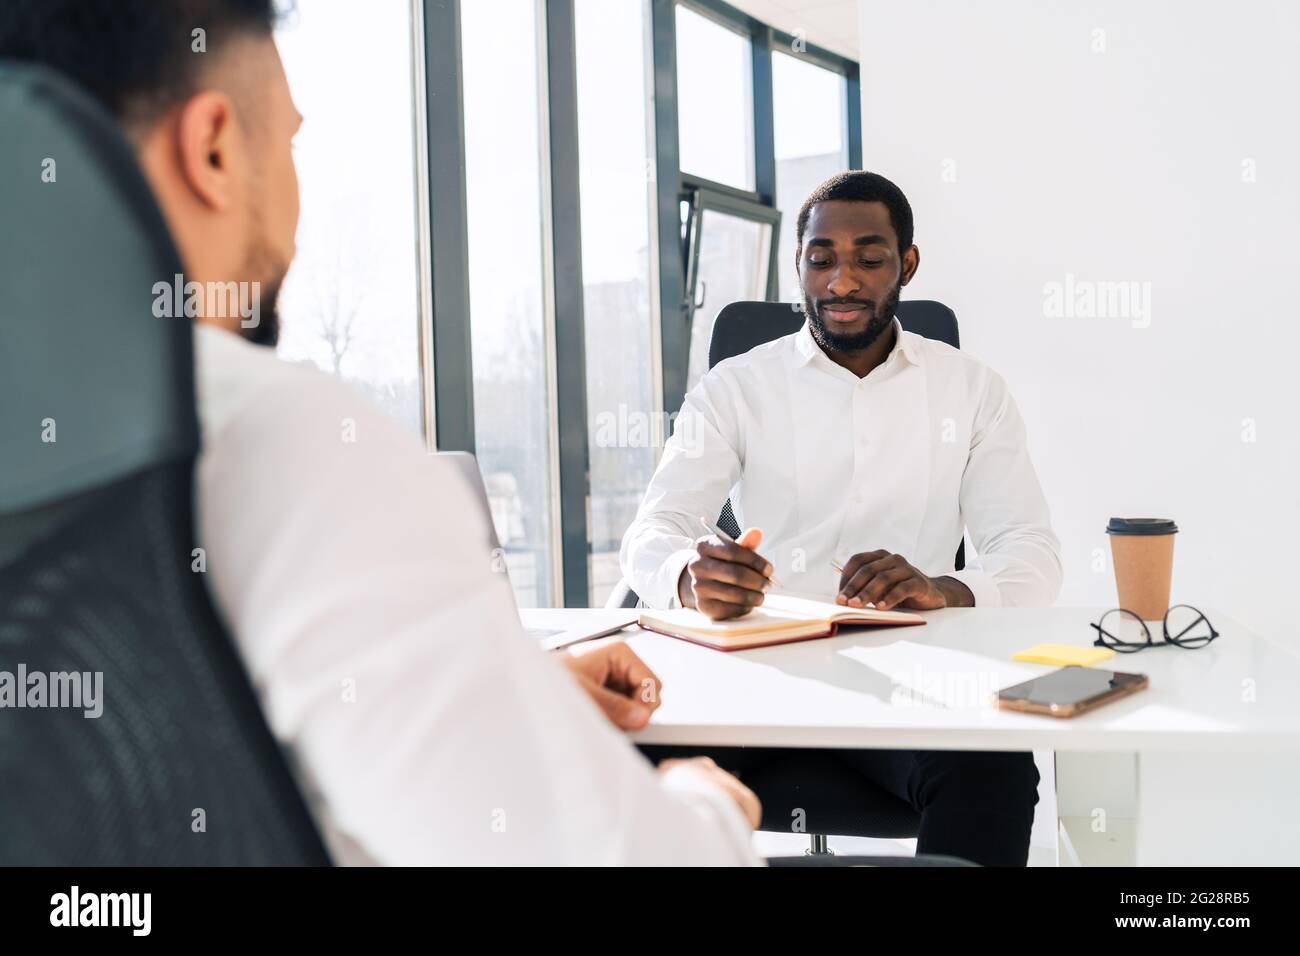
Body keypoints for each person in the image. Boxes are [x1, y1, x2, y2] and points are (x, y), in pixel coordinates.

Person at [0, 0, 761, 865]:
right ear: (213, 149)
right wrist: (706, 801)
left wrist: (502, 706)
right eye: (286, 142)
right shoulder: (288, 447)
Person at [622, 170, 1062, 865]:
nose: (842, 280)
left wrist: (947, 587)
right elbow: (653, 533)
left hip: (909, 684)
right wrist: (688, 575)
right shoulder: (736, 388)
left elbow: (1030, 553)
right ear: (798, 264)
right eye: (821, 257)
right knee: (627, 757)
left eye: (869, 257)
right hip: (755, 677)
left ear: (906, 264)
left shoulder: (971, 391)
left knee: (994, 774)